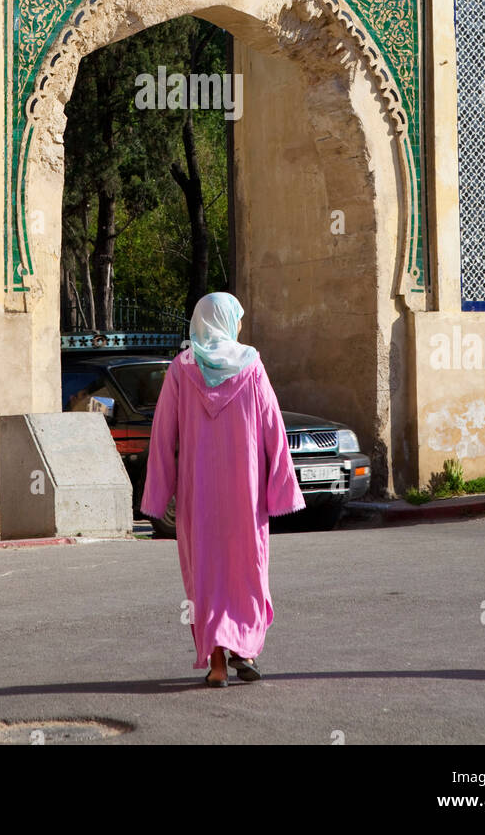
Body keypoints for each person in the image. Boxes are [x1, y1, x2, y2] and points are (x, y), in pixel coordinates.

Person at [141, 291, 306, 687]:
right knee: (246, 569)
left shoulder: (181, 368)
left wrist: (158, 493)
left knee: (207, 575)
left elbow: (163, 434)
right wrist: (282, 488)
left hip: (199, 496)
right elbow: (273, 428)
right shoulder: (251, 364)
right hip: (244, 495)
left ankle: (217, 666)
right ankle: (244, 651)